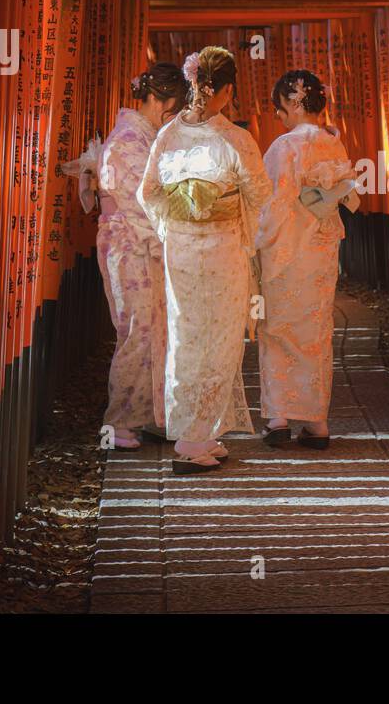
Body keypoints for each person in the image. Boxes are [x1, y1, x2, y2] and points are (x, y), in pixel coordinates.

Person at [138, 46, 271, 473]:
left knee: (186, 335)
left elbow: (148, 194)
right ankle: (192, 440)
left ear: (193, 84)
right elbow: (260, 195)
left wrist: (176, 220)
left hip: (180, 249)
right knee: (221, 337)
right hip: (223, 249)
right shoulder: (235, 139)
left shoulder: (167, 135)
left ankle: (204, 430)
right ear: (227, 90)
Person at [256, 70, 359, 450]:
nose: (278, 114)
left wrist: (254, 240)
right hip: (321, 245)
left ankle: (278, 417)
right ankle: (317, 422)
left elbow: (272, 204)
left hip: (286, 247)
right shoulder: (334, 144)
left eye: (279, 106)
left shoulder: (284, 147)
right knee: (316, 329)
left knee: (277, 326)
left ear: (293, 102)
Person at [97, 62, 189, 450]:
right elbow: (143, 202)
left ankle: (150, 413)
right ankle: (119, 420)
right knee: (136, 327)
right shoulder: (129, 140)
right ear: (160, 101)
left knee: (156, 326)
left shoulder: (140, 136)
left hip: (142, 241)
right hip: (130, 243)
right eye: (173, 108)